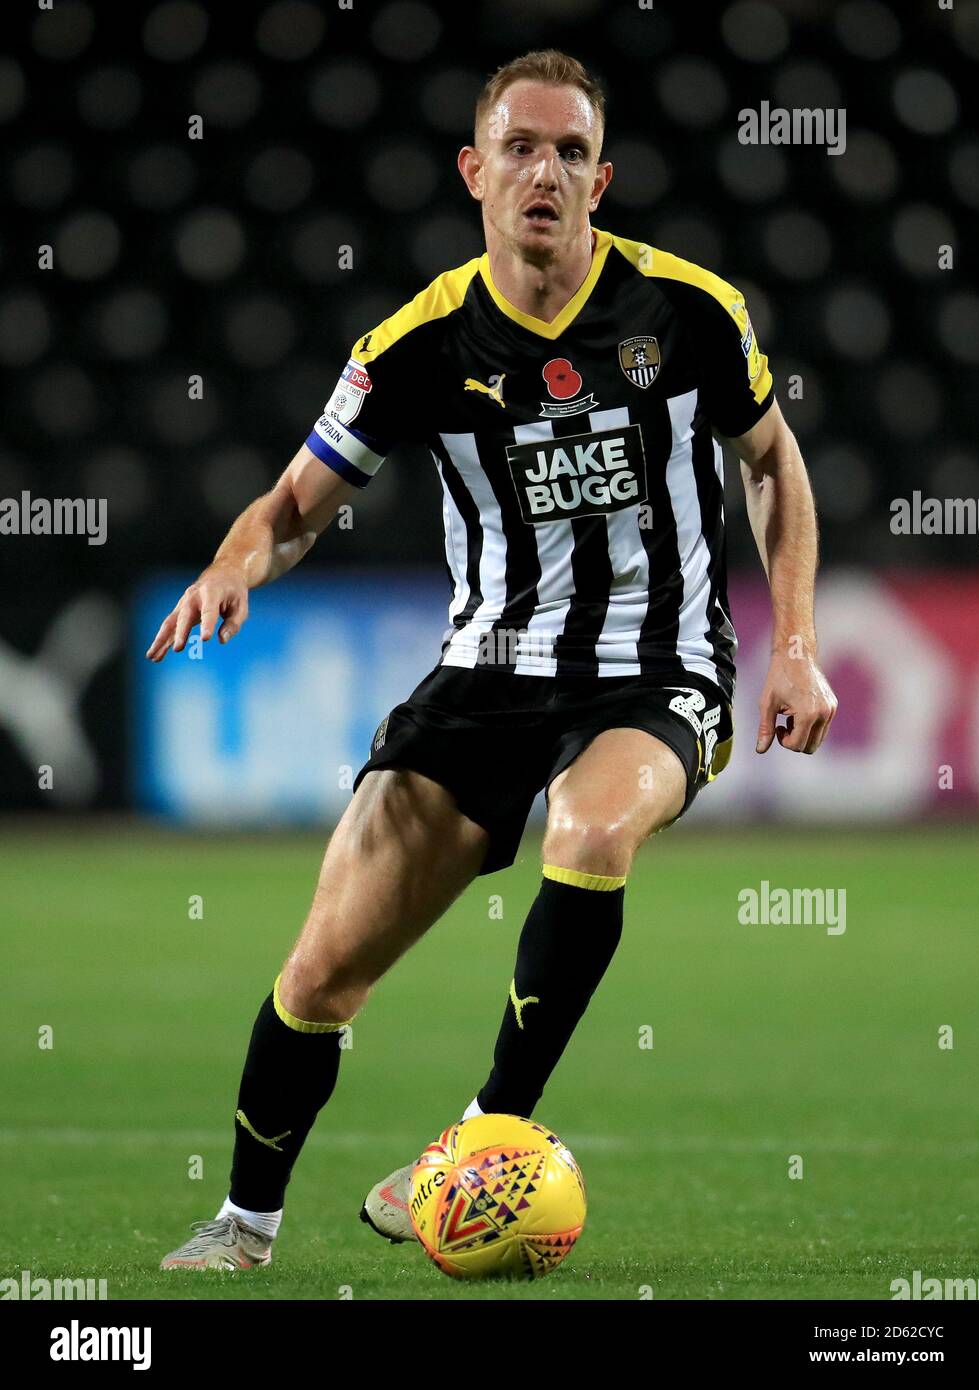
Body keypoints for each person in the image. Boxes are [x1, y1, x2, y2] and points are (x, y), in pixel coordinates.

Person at [150, 49, 837, 1270]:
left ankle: (479, 1133)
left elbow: (773, 464)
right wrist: (231, 564)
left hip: (658, 663)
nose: (545, 170)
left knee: (588, 831)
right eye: (520, 146)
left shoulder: (686, 309)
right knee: (320, 970)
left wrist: (793, 648)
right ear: (475, 172)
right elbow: (294, 505)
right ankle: (241, 1225)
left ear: (600, 179)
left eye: (571, 151)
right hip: (487, 671)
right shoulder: (415, 342)